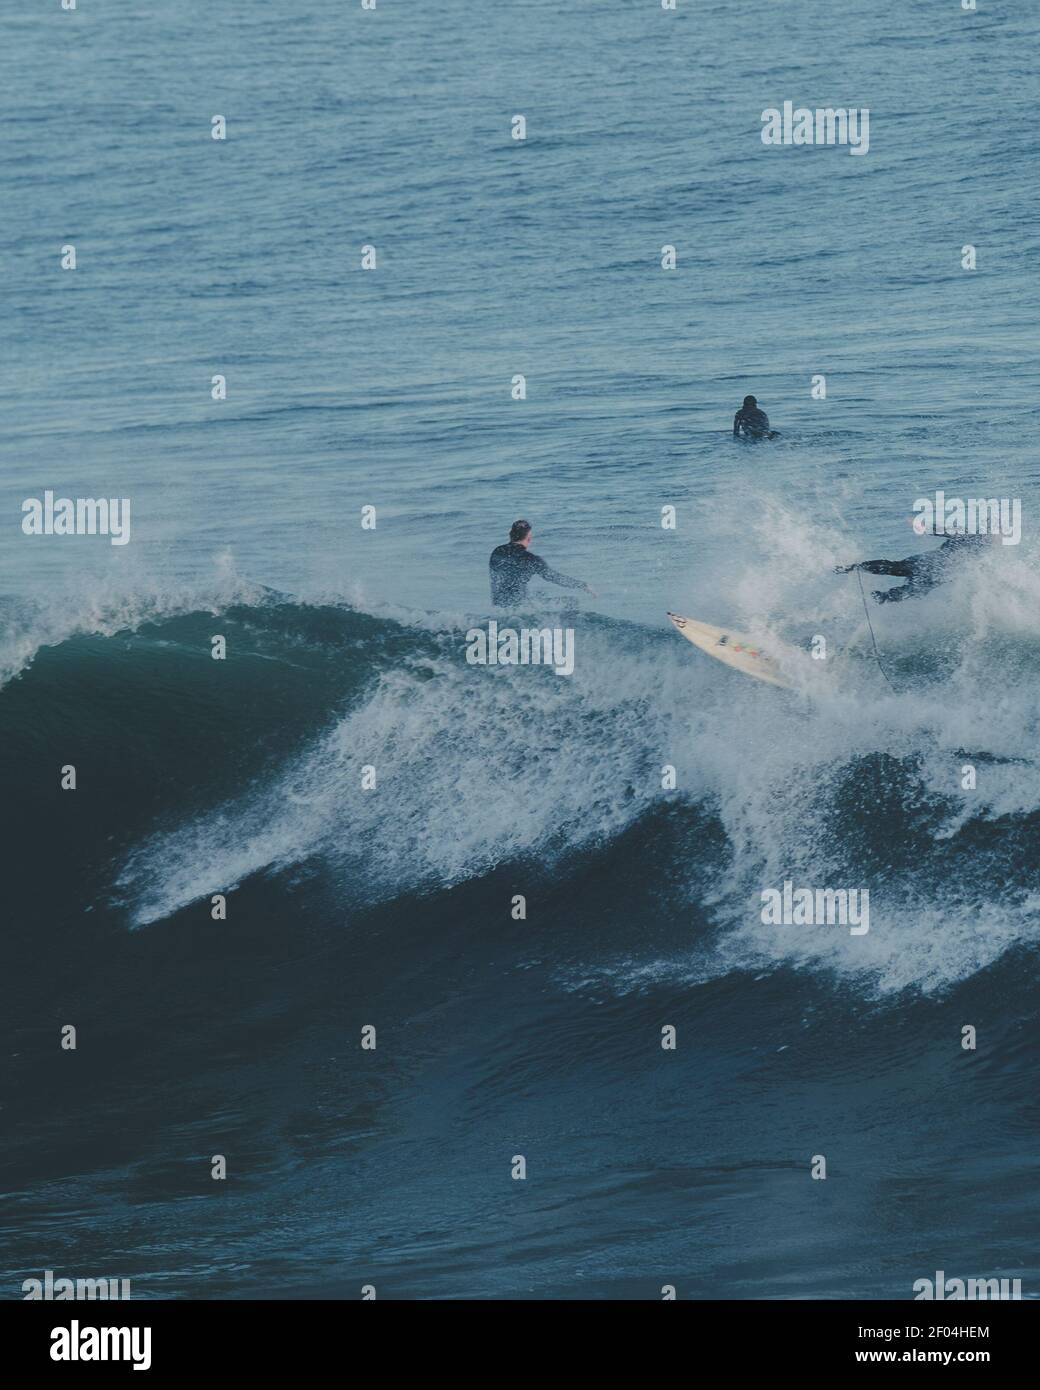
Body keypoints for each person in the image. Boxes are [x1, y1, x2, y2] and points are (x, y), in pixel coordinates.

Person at [835, 526, 995, 603]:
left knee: (896, 570)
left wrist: (927, 528)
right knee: (910, 586)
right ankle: (884, 596)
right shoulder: (979, 548)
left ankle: (858, 569)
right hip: (934, 570)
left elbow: (943, 531)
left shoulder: (969, 539)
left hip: (929, 566)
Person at [489, 520, 593, 607]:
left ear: (510, 535)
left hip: (499, 603)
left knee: (538, 594)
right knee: (572, 601)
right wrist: (582, 585)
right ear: (529, 538)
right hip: (520, 604)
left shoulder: (497, 552)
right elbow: (554, 577)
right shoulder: (531, 559)